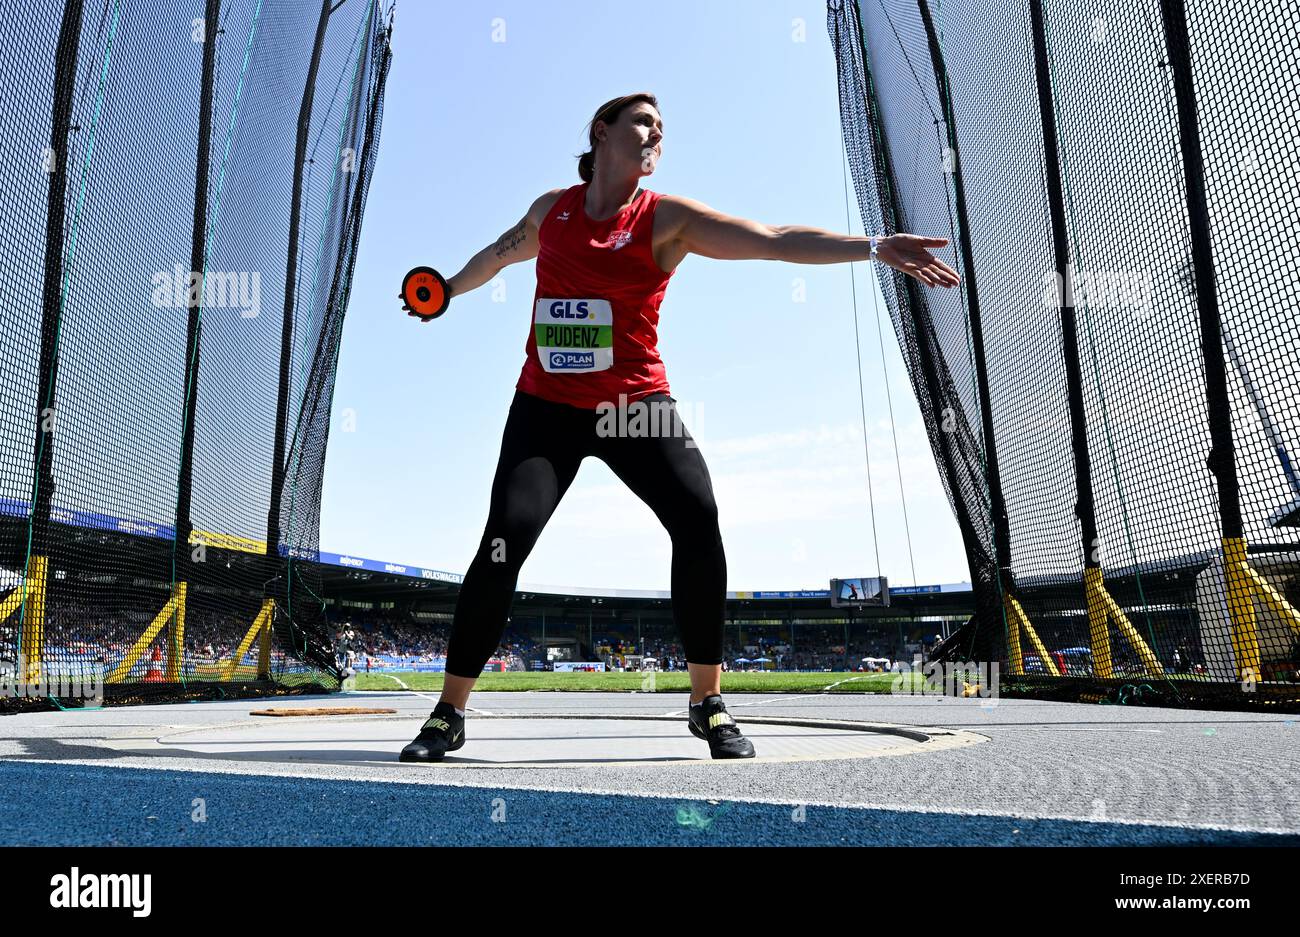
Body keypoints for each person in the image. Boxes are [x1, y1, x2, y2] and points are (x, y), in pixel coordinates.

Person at [400, 92, 958, 764]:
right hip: (547, 409)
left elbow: (774, 240)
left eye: (661, 128)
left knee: (697, 514)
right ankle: (448, 712)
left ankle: (707, 701)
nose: (655, 132)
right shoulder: (553, 211)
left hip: (634, 406)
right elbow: (498, 253)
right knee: (503, 538)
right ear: (601, 132)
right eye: (642, 121)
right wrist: (446, 289)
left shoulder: (668, 220)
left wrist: (873, 247)